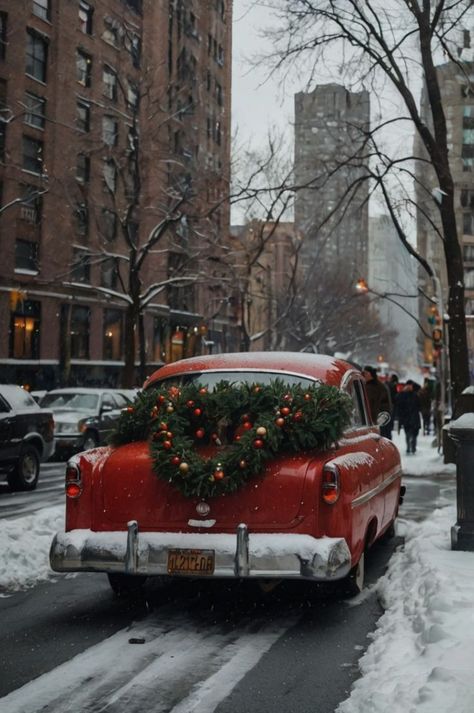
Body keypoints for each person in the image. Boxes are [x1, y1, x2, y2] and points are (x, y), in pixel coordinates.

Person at [362, 365, 392, 437]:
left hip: (376, 424)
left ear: (369, 374)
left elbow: (385, 406)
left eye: (364, 373)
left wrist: (380, 421)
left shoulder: (380, 387)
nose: (362, 375)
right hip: (365, 423)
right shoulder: (362, 386)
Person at [395, 379, 422, 454]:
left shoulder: (415, 394)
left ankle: (413, 447)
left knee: (414, 434)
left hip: (414, 417)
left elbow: (419, 405)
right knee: (407, 433)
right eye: (408, 385)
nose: (410, 387)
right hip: (406, 417)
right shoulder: (402, 395)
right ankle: (408, 447)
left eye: (411, 385)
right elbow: (398, 403)